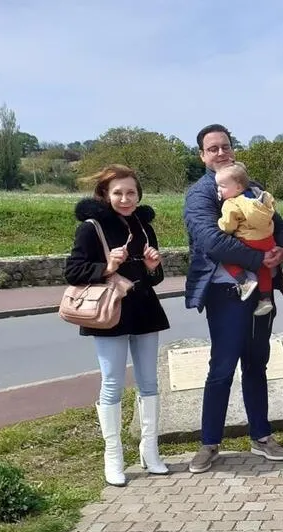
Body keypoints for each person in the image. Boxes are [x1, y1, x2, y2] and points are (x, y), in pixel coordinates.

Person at [183, 123, 283, 474]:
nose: (220, 153)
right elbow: (211, 241)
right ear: (202, 155)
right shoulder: (200, 194)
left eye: (225, 146)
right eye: (212, 148)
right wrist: (260, 258)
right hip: (225, 293)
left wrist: (280, 250)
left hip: (260, 291)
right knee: (223, 367)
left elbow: (282, 226)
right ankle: (210, 443)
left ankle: (261, 436)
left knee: (257, 362)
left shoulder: (250, 187)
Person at [63, 164, 170, 487]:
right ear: (105, 195)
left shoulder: (143, 225)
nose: (125, 199)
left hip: (144, 309)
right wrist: (106, 266)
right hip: (110, 312)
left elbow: (156, 278)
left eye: (131, 193)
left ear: (139, 195)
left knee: (149, 382)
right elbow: (73, 271)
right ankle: (114, 457)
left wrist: (153, 267)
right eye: (118, 193)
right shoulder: (91, 227)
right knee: (111, 382)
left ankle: (150, 452)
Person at [216, 162, 277, 316]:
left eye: (222, 186)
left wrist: (220, 224)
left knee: (226, 258)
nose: (218, 189)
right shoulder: (260, 197)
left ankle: (245, 282)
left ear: (237, 187)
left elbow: (228, 226)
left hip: (248, 241)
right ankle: (265, 299)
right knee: (264, 269)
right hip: (267, 241)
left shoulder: (231, 203)